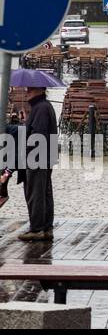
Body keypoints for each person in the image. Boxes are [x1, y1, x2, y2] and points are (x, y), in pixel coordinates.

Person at [16, 88, 58, 242]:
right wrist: (26, 121)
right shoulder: (42, 107)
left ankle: (37, 229)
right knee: (44, 192)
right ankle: (46, 228)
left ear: (39, 90)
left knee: (36, 193)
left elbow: (38, 134)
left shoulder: (41, 108)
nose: (27, 92)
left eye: (30, 89)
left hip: (37, 156)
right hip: (44, 156)